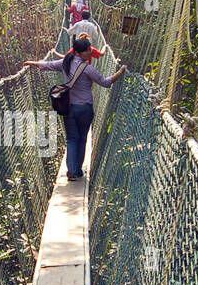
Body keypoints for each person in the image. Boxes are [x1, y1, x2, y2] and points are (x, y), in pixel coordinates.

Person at [26, 35, 125, 180]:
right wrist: (120, 71)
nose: (90, 53)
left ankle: (72, 171)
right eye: (87, 51)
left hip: (69, 109)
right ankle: (77, 169)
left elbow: (47, 64)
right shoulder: (88, 68)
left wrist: (31, 63)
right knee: (82, 139)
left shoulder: (65, 62)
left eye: (90, 50)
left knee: (72, 139)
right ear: (78, 52)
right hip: (85, 109)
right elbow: (105, 82)